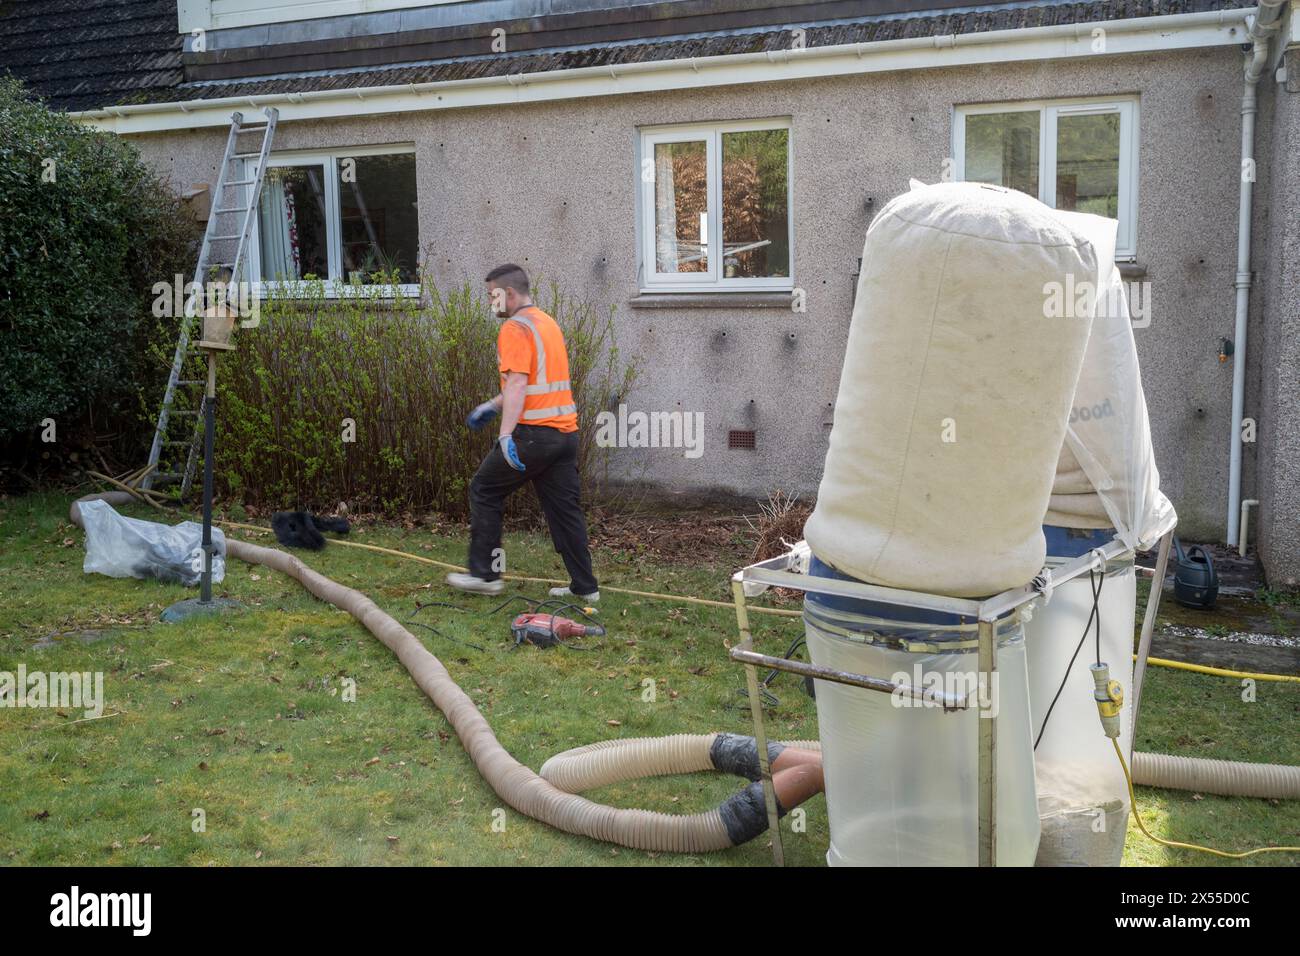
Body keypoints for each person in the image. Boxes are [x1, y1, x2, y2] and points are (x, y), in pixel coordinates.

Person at [445, 264, 600, 601]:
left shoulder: (515, 328)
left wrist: (504, 436)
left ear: (509, 294)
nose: (491, 303)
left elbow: (517, 383)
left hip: (533, 437)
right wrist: (490, 405)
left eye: (492, 296)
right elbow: (530, 385)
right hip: (564, 436)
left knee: (484, 489)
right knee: (564, 511)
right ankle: (585, 588)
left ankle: (485, 576)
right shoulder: (547, 323)